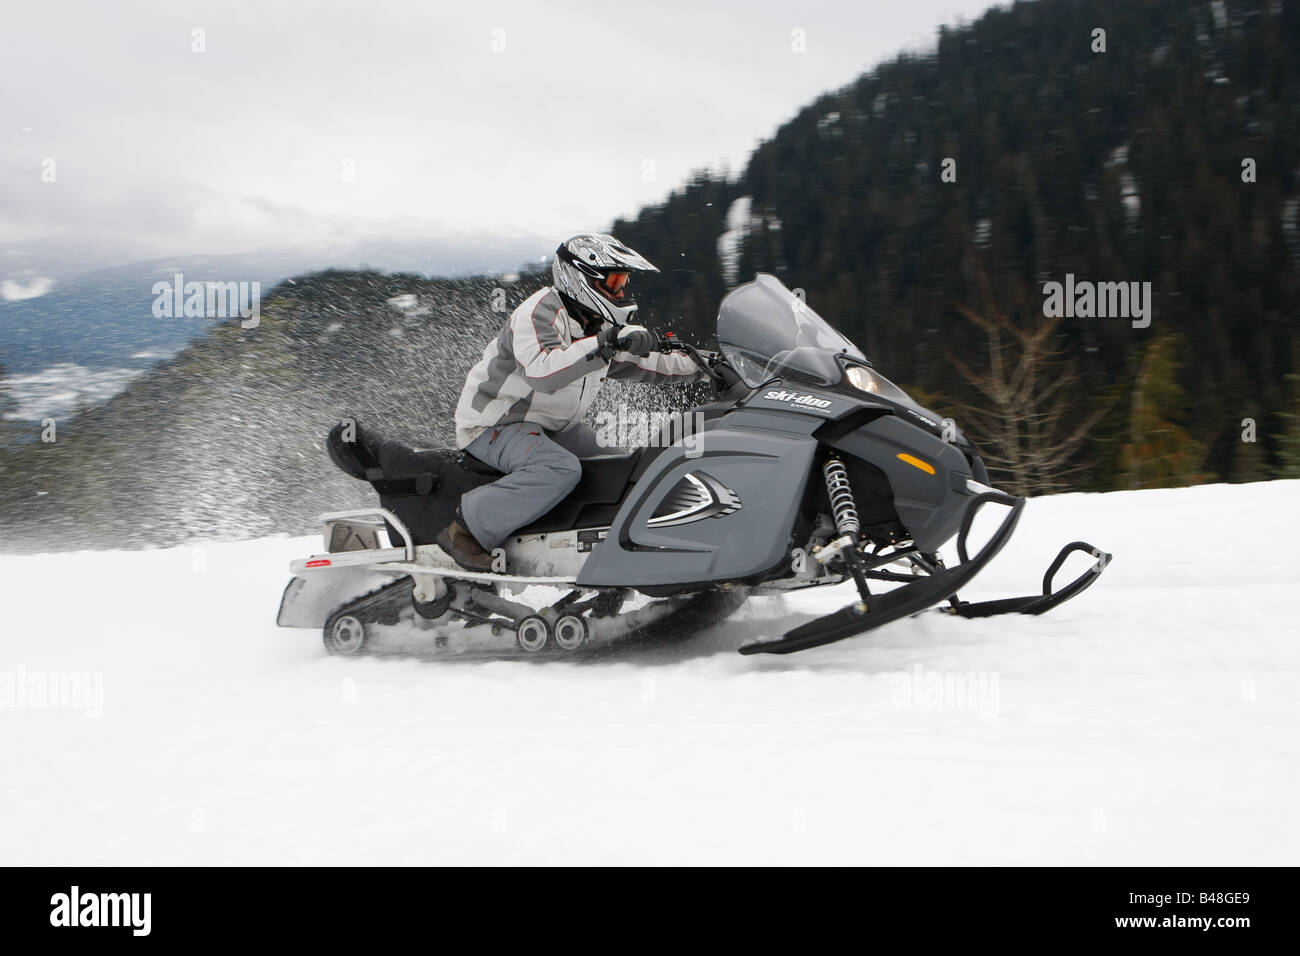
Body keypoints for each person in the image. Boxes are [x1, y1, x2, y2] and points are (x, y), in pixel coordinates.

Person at [438, 233, 711, 571]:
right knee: (560, 469)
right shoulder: (539, 312)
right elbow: (544, 371)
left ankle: (613, 548)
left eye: (623, 283)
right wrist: (607, 344)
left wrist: (708, 365)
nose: (622, 293)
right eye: (614, 283)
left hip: (551, 428)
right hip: (495, 425)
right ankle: (465, 531)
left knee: (623, 467)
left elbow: (649, 364)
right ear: (582, 279)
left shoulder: (597, 326)